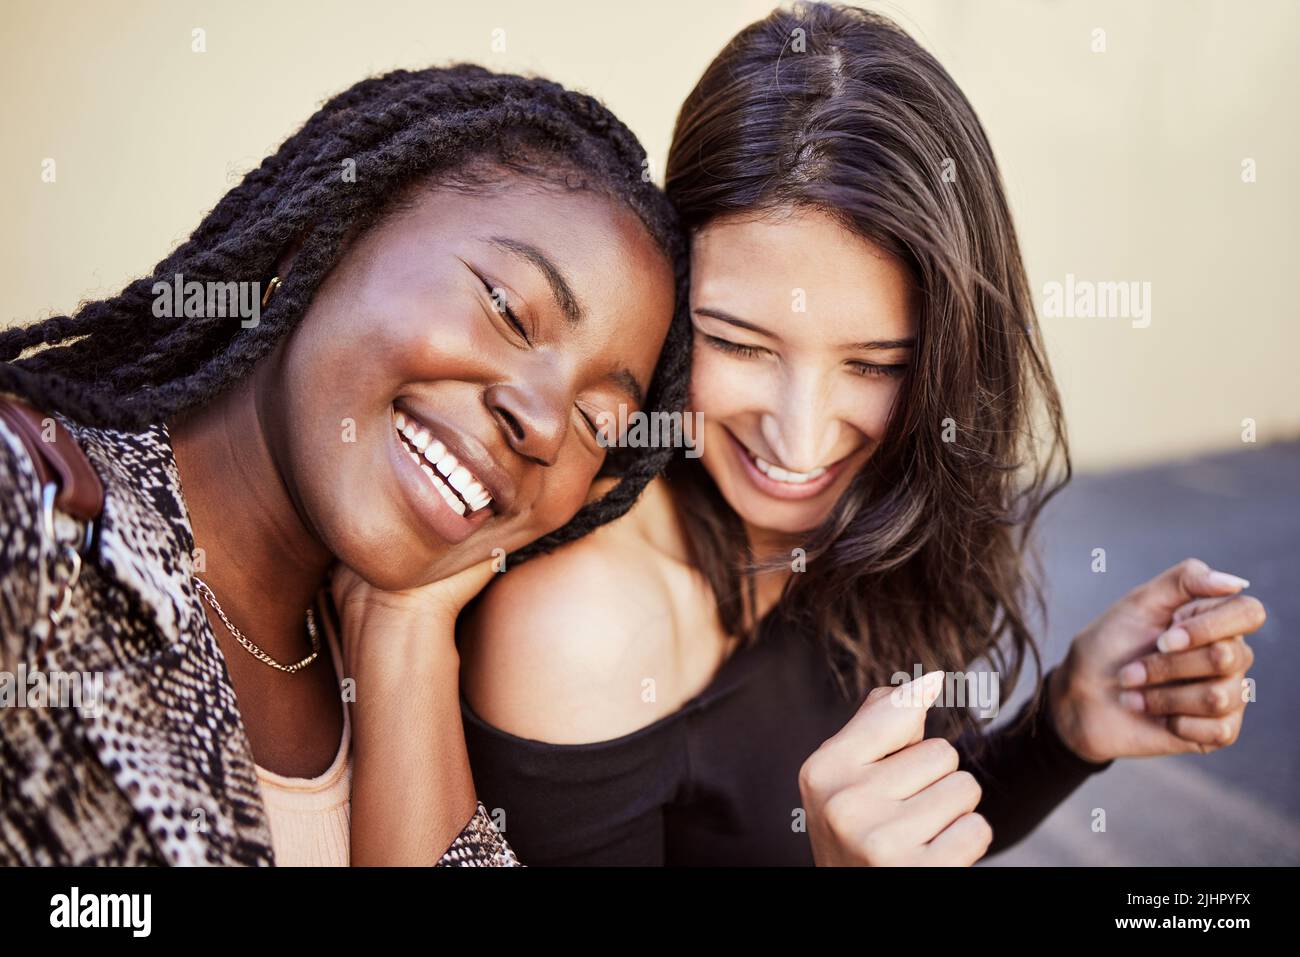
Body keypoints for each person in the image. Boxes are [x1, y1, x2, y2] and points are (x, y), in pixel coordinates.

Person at [458, 4, 1265, 865]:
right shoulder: (575, 629)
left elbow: (910, 825)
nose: (800, 440)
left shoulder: (893, 496)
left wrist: (1064, 723)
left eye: (876, 365)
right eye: (739, 344)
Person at [0, 64, 690, 866]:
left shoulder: (435, 685)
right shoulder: (32, 521)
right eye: (507, 309)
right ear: (321, 238)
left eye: (596, 422)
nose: (542, 424)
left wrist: (405, 628)